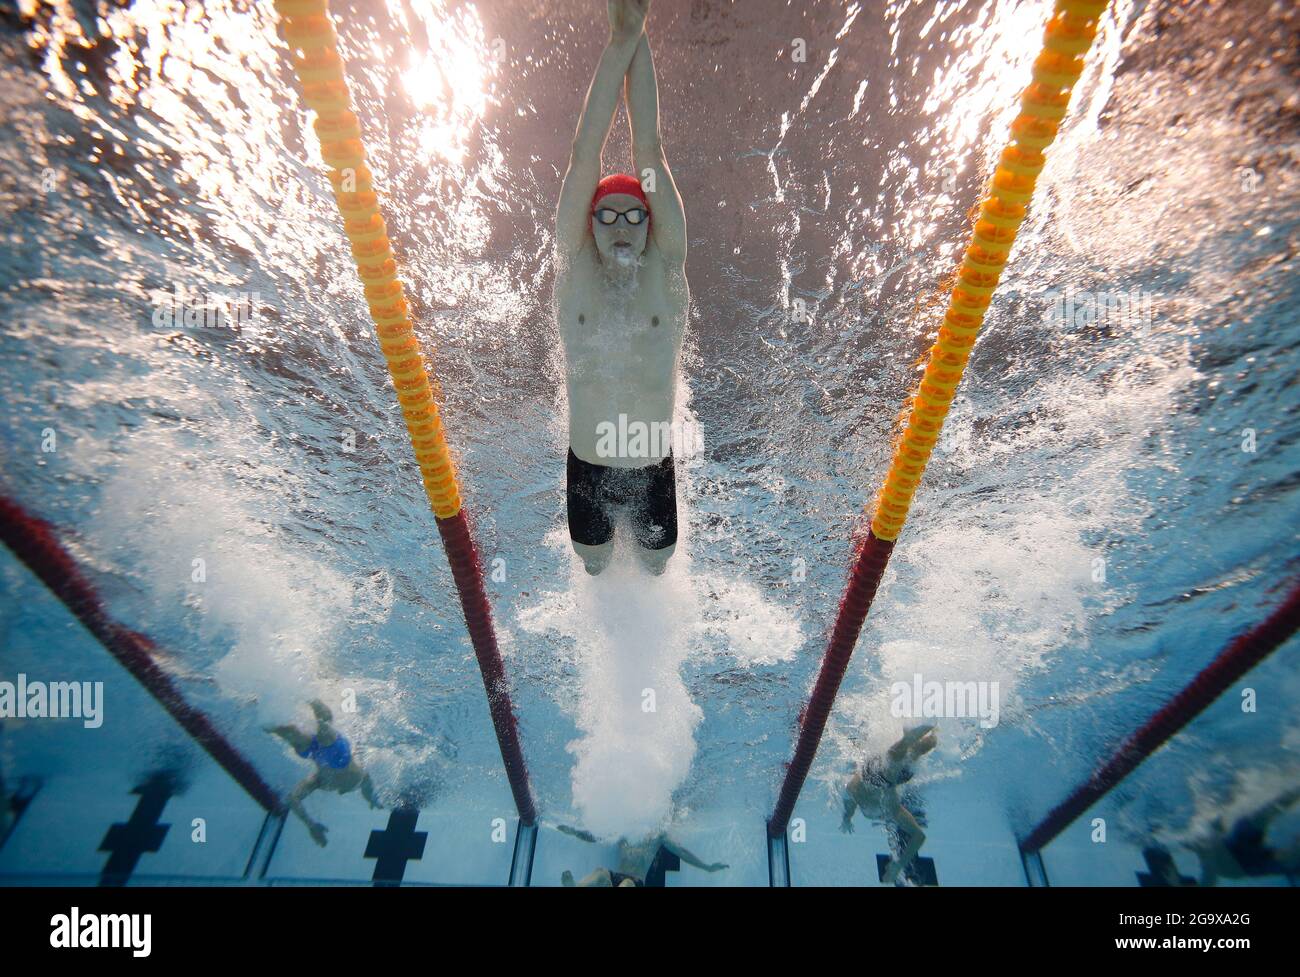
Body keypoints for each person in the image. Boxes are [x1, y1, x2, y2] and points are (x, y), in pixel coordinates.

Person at [555, 0, 689, 577]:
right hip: (587, 469)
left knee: (657, 570)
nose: (620, 226)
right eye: (605, 215)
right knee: (595, 565)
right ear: (588, 223)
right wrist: (617, 45)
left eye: (633, 214)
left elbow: (649, 150)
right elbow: (585, 154)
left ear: (651, 222)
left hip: (653, 469)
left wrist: (638, 36)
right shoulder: (574, 266)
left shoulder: (667, 269)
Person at [267, 699, 380, 847]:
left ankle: (264, 718)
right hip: (338, 755)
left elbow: (292, 798)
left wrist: (311, 825)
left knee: (289, 731)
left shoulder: (319, 781)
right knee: (323, 731)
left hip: (314, 752)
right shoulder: (336, 782)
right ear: (342, 791)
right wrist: (371, 799)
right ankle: (308, 694)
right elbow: (366, 781)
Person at [841, 725, 938, 885]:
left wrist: (898, 865)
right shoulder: (892, 809)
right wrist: (897, 866)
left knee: (897, 759)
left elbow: (919, 836)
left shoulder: (890, 809)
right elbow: (919, 836)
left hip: (881, 776)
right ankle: (928, 731)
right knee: (920, 748)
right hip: (888, 777)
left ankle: (917, 735)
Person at [1184, 787, 1300, 885]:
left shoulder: (1208, 834)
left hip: (1237, 847)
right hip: (1246, 865)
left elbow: (1217, 821)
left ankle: (1296, 789)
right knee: (1290, 860)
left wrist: (1231, 795)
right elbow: (1209, 877)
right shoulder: (1209, 861)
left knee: (1260, 817)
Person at [558, 825, 727, 887]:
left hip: (635, 881)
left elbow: (681, 852)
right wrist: (574, 832)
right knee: (600, 873)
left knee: (627, 884)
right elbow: (596, 837)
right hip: (616, 875)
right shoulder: (624, 829)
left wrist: (707, 867)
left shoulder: (657, 836)